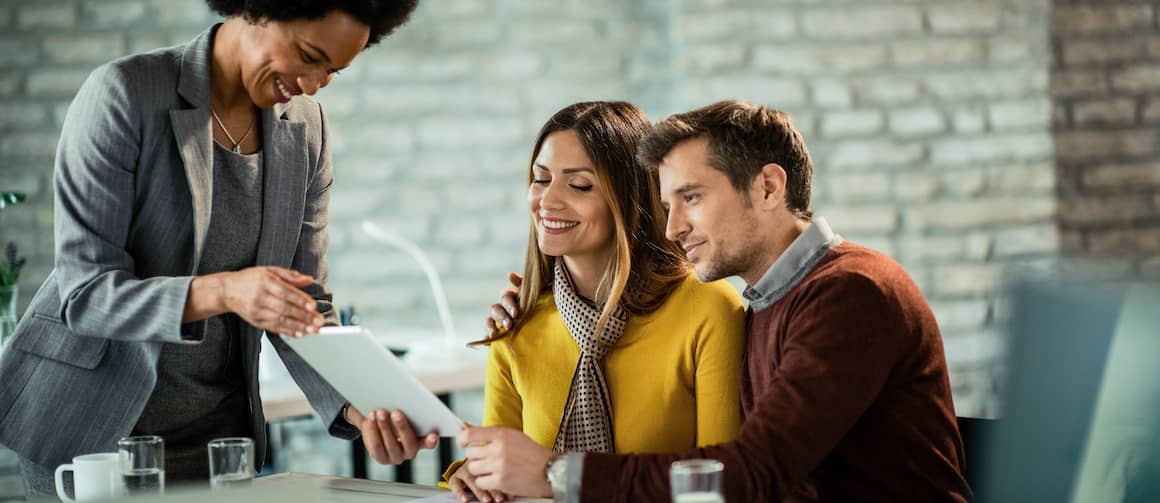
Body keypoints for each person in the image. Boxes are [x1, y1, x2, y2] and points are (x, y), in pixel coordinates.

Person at [0, 1, 435, 496]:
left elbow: (304, 303)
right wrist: (225, 291)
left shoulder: (307, 129)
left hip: (218, 442)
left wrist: (356, 404)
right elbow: (85, 295)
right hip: (94, 435)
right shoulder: (124, 94)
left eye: (332, 71)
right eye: (308, 56)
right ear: (257, 8)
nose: (313, 84)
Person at [462, 100, 971, 502]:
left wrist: (556, 473)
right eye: (666, 204)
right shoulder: (769, 304)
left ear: (769, 187)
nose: (672, 227)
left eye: (693, 197)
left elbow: (750, 475)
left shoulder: (851, 292)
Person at [447, 101, 746, 503]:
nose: (547, 202)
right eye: (540, 179)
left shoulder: (707, 308)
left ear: (629, 196)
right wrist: (474, 475)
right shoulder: (517, 323)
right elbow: (501, 476)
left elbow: (719, 481)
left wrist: (557, 476)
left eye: (579, 185)